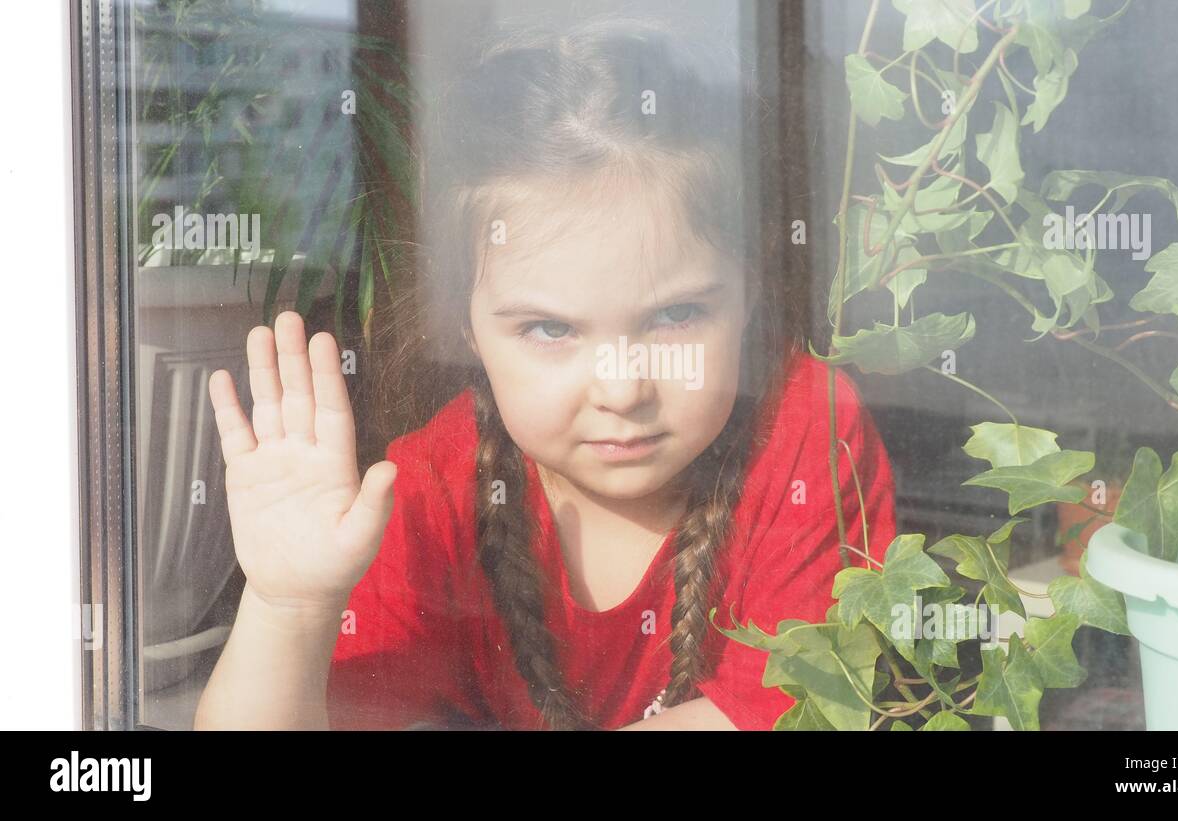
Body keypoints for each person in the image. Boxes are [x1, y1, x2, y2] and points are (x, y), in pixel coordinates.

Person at [194, 15, 895, 731]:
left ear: (748, 291)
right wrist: (290, 606)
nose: (622, 388)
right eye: (551, 329)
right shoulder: (436, 490)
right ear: (464, 325)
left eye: (677, 315)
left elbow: (798, 716)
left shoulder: (806, 427)